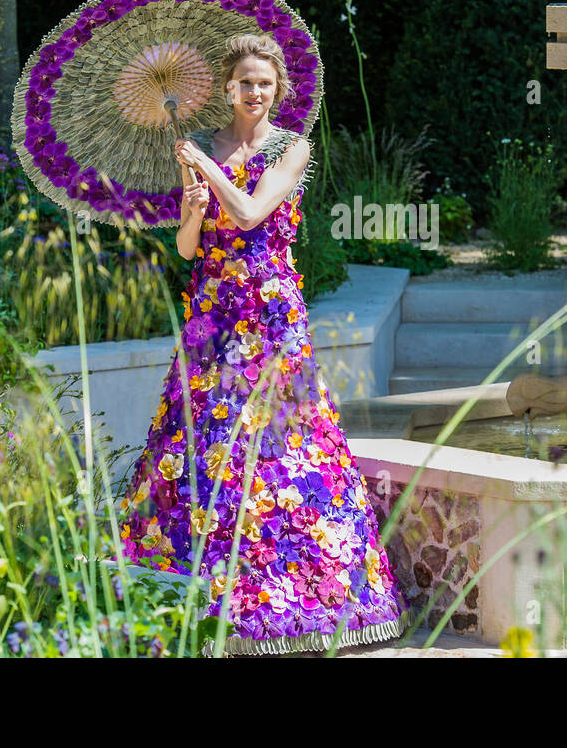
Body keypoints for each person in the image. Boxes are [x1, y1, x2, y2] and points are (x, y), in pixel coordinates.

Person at [114, 32, 408, 655]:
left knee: (287, 439)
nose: (255, 91)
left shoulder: (291, 149)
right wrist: (192, 203)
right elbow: (189, 248)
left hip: (270, 313)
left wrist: (209, 172)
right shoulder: (205, 151)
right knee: (205, 442)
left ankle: (310, 602)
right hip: (212, 314)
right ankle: (194, 598)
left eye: (264, 83)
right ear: (227, 87)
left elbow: (250, 214)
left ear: (277, 90)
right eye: (245, 81)